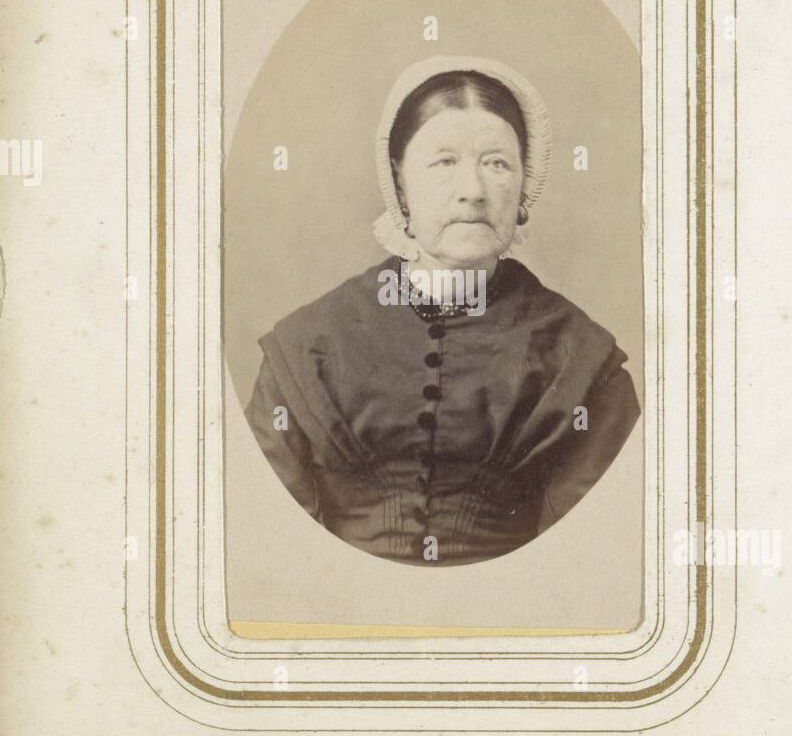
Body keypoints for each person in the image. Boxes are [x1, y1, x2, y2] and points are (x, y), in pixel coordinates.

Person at [245, 56, 640, 566]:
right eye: (444, 162)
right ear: (399, 182)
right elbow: (266, 547)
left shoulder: (582, 362)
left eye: (497, 163)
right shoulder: (307, 347)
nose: (473, 191)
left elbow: (593, 559)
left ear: (524, 183)